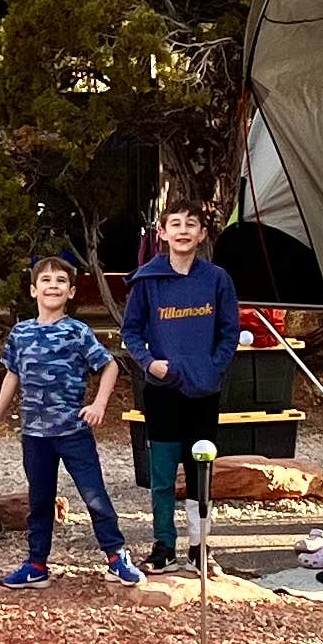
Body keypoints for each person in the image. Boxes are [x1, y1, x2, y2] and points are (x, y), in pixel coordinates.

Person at [0, 252, 141, 588]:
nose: (53, 286)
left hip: (73, 431)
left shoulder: (77, 332)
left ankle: (116, 557)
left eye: (61, 281)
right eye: (45, 280)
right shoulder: (21, 334)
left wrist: (99, 404)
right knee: (40, 500)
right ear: (33, 290)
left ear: (71, 292)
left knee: (95, 496)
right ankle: (37, 565)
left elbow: (110, 366)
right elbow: (12, 376)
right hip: (34, 435)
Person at [119, 202, 239, 569]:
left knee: (200, 467)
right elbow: (131, 331)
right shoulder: (147, 280)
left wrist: (213, 367)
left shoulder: (217, 279)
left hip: (204, 391)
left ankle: (200, 547)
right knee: (163, 471)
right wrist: (150, 363)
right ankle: (164, 545)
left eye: (192, 224)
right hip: (162, 391)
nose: (183, 231)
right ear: (163, 233)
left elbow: (229, 331)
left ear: (202, 234)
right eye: (176, 224)